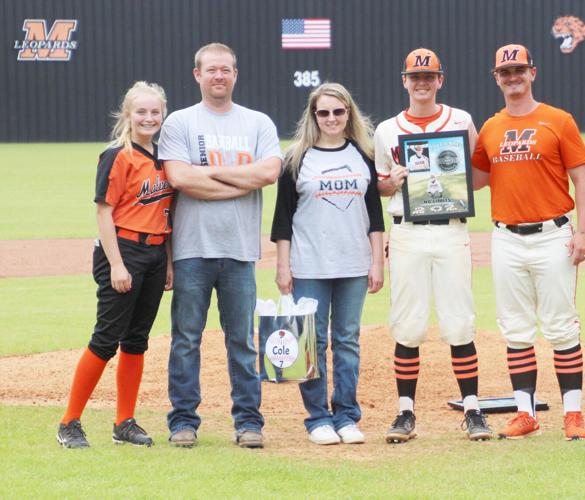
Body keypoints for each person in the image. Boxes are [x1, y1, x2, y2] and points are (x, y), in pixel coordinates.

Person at [158, 43, 282, 449]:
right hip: (191, 249)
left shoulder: (257, 122)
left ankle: (248, 422)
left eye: (225, 69)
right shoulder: (180, 122)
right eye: (211, 70)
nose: (218, 76)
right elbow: (180, 179)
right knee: (186, 340)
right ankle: (183, 421)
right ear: (197, 74)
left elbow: (269, 173)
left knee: (242, 341)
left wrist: (207, 175)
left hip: (240, 250)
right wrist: (239, 181)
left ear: (235, 74)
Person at [471, 44, 585, 441]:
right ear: (496, 78)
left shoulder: (558, 120)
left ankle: (573, 413)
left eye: (519, 69)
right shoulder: (491, 127)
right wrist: (429, 166)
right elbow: (475, 180)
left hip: (552, 234)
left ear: (532, 73)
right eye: (505, 71)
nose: (513, 76)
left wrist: (584, 231)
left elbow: (582, 179)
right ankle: (525, 413)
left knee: (562, 325)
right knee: (516, 328)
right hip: (506, 236)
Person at [374, 48, 493, 443]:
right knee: (408, 325)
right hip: (406, 230)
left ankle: (473, 410)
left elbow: (479, 176)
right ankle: (405, 412)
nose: (421, 83)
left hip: (450, 228)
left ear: (439, 80)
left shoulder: (460, 120)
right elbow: (379, 185)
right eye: (415, 77)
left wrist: (458, 182)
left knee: (459, 322)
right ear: (405, 81)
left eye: (429, 77)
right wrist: (392, 182)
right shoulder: (387, 130)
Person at [57, 81, 174, 448]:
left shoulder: (165, 157)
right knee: (106, 339)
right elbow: (103, 213)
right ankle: (69, 422)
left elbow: (166, 213)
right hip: (123, 250)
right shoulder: (117, 155)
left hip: (156, 253)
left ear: (163, 115)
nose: (148, 117)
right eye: (141, 111)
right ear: (127, 115)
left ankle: (124, 422)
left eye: (155, 111)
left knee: (136, 340)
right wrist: (117, 265)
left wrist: (168, 261)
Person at [271, 82, 385, 445]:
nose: (331, 118)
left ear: (348, 113)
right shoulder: (296, 158)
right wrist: (283, 267)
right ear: (313, 115)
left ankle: (347, 416)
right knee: (313, 341)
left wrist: (377, 262)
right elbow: (282, 219)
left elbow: (374, 214)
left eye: (338, 111)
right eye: (324, 112)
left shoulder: (363, 154)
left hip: (354, 264)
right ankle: (318, 417)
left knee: (347, 341)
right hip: (309, 265)